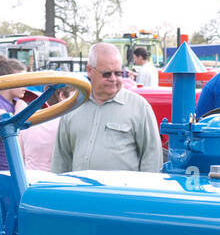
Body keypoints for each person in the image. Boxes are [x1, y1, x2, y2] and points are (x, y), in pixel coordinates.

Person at [51, 42, 161, 174]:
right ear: (90, 71)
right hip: (80, 192)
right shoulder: (72, 106)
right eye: (107, 74)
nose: (113, 79)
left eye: (118, 73)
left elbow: (152, 158)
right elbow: (61, 159)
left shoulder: (139, 107)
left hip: (122, 194)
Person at [19, 84, 73, 172]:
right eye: (74, 96)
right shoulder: (66, 122)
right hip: (56, 179)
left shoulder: (29, 119)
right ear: (62, 96)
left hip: (29, 177)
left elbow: (20, 155)